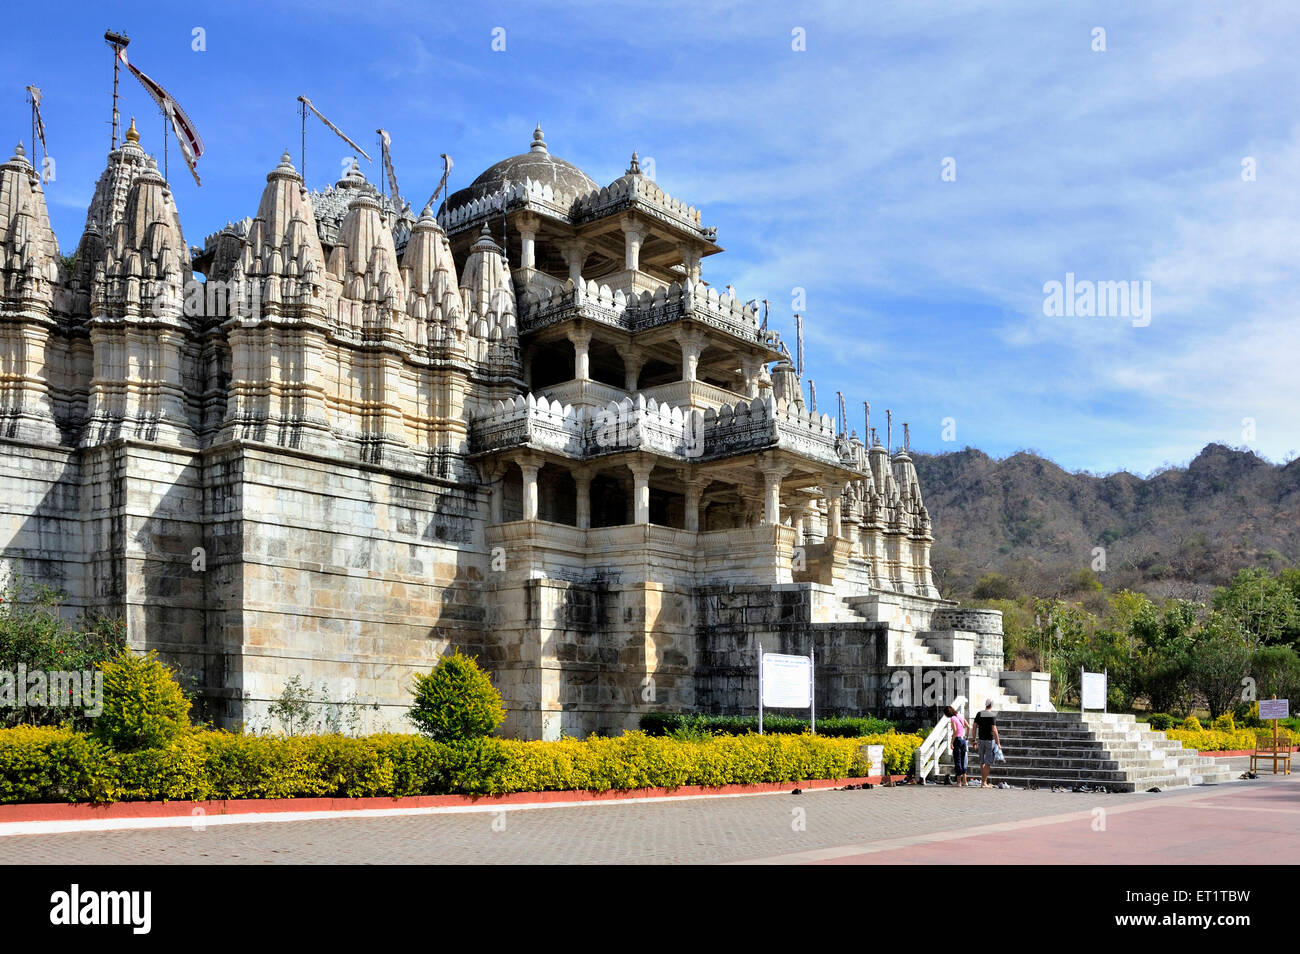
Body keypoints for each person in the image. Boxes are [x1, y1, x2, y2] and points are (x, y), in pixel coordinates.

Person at [973, 699, 1001, 788]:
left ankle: (983, 782)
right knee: (988, 762)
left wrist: (974, 740)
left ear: (985, 704)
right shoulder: (992, 715)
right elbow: (994, 729)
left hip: (981, 740)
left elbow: (974, 727)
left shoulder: (979, 713)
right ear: (991, 705)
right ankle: (983, 782)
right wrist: (998, 742)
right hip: (990, 740)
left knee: (982, 761)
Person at [945, 705, 968, 787]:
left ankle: (959, 782)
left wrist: (951, 743)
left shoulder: (952, 719)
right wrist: (967, 737)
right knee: (963, 761)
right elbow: (968, 727)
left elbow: (955, 732)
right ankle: (965, 781)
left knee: (957, 761)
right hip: (963, 740)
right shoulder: (960, 716)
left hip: (957, 740)